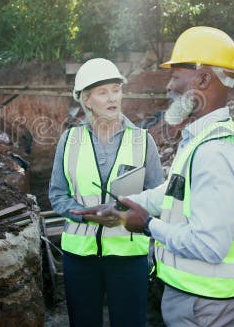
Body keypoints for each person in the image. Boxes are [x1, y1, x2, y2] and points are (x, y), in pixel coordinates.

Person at [73, 27, 234, 326]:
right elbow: (172, 194)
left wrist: (147, 225)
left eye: (175, 78)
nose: (168, 88)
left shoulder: (214, 152)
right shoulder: (201, 139)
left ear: (203, 79)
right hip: (198, 297)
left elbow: (210, 246)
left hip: (206, 303)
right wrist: (121, 207)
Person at [49, 58, 165, 327]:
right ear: (87, 100)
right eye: (103, 92)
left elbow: (158, 197)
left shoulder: (142, 140)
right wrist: (84, 215)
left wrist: (124, 216)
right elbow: (57, 194)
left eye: (116, 89)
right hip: (80, 258)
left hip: (128, 257)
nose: (113, 98)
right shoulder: (69, 140)